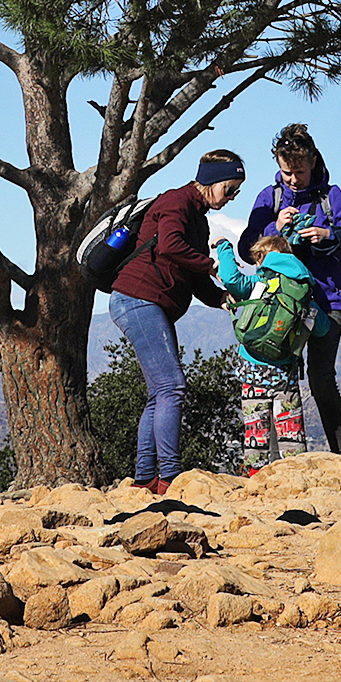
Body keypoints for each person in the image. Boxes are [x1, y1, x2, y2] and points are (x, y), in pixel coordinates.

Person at [110, 151, 246, 494]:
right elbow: (171, 246)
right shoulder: (176, 201)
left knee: (160, 393)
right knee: (172, 387)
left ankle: (145, 479)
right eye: (230, 189)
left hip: (147, 303)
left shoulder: (197, 218)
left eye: (236, 192)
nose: (232, 197)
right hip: (138, 299)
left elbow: (193, 273)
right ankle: (170, 477)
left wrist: (220, 297)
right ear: (212, 181)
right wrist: (211, 264)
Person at [240, 124, 341, 455]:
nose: (293, 180)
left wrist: (329, 235)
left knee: (321, 380)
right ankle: (277, 461)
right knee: (277, 382)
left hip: (327, 303)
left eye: (300, 172)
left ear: (313, 162)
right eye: (287, 173)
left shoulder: (331, 197)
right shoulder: (269, 198)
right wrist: (275, 227)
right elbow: (246, 248)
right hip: (279, 305)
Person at [215, 231, 333, 473]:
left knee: (256, 428)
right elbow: (322, 328)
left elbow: (230, 278)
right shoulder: (303, 290)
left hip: (252, 368)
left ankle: (255, 474)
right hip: (285, 372)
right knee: (290, 432)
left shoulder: (260, 283)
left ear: (261, 258)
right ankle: (296, 475)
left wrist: (223, 245)